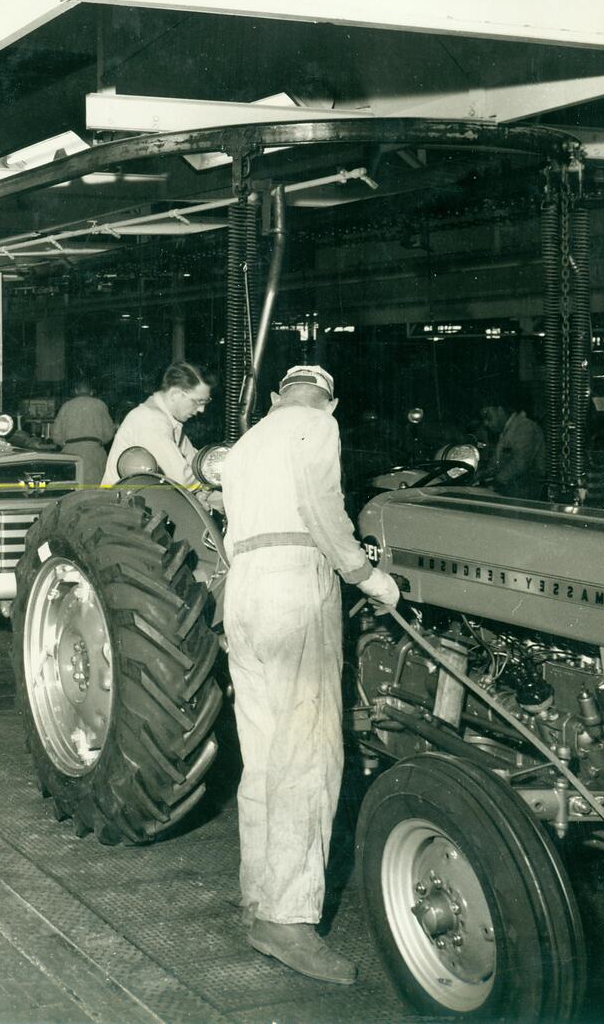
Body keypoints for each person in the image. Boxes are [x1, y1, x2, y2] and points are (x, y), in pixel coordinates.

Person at [219, 364, 400, 985]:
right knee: (310, 756)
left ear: (276, 395)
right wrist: (368, 577)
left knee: (265, 755)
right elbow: (324, 511)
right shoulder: (316, 426)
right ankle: (288, 922)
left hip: (242, 590)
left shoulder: (249, 440)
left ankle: (258, 896)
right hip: (294, 586)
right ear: (331, 400)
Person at [101, 362, 219, 508]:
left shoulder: (168, 420)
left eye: (206, 401)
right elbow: (181, 478)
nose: (201, 409)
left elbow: (197, 462)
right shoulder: (151, 419)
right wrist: (209, 482)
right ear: (175, 394)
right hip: (119, 513)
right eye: (198, 401)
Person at [48, 379, 114, 486]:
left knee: (72, 488)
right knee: (95, 489)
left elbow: (56, 434)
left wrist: (67, 444)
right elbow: (109, 432)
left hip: (71, 452)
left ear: (75, 391)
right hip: (94, 451)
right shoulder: (100, 405)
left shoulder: (66, 406)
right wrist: (98, 442)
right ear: (92, 392)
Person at [480, 395, 545, 499]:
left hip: (525, 493)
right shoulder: (505, 432)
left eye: (488, 417)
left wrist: (496, 482)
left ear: (500, 410)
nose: (486, 423)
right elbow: (496, 462)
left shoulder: (525, 426)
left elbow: (520, 463)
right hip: (511, 491)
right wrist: (483, 474)